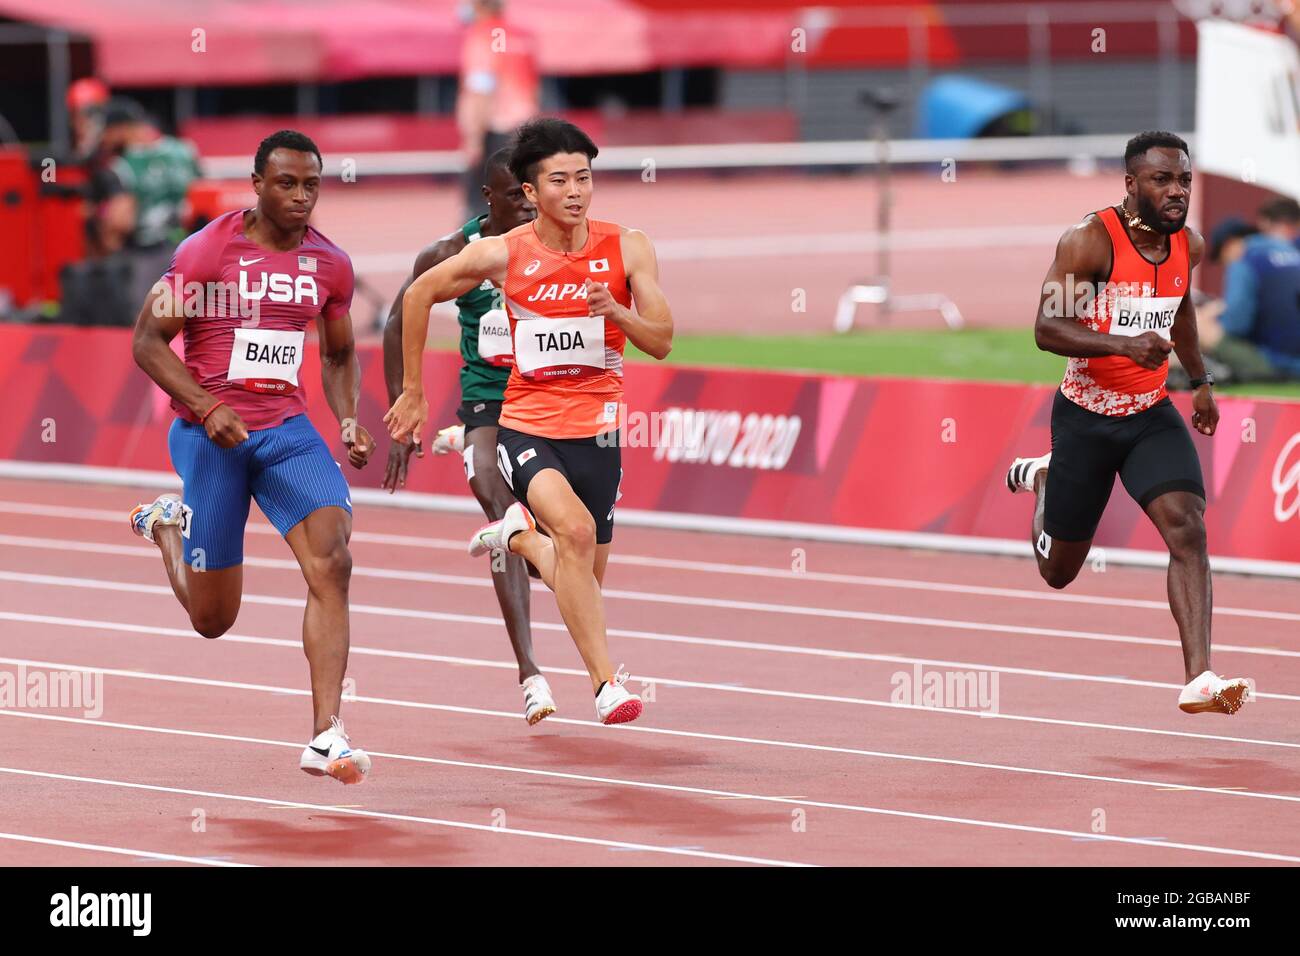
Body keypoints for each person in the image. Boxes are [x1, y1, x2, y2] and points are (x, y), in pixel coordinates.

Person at [385, 118, 674, 725]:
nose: (575, 192)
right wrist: (413, 392)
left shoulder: (629, 246)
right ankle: (606, 686)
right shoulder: (501, 254)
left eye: (585, 178)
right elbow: (417, 295)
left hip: (598, 433)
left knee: (581, 579)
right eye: (560, 180)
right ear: (530, 191)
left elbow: (663, 340)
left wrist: (616, 310)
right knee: (572, 534)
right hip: (526, 424)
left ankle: (513, 537)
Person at [127, 130, 376, 782]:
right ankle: (166, 527)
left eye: (312, 185)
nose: (300, 196)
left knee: (335, 558)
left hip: (286, 431)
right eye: (287, 184)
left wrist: (349, 416)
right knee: (213, 620)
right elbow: (148, 342)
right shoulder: (207, 251)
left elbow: (341, 352)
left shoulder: (330, 265)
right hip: (210, 436)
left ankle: (327, 734)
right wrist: (209, 407)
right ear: (258, 185)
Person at [1004, 130, 1253, 715]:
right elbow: (1046, 329)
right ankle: (1044, 479)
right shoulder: (1090, 241)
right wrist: (1121, 345)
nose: (1177, 192)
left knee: (1187, 528)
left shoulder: (1186, 247)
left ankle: (1200, 679)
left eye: (1184, 180)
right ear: (1131, 184)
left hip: (1149, 415)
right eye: (1163, 180)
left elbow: (1182, 312)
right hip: (1086, 419)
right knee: (1059, 572)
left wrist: (1202, 382)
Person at [381, 148, 555, 724]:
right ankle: (530, 672)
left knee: (557, 546)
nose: (525, 207)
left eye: (531, 194)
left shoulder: (557, 243)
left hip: (550, 406)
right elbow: (402, 313)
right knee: (499, 508)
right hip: (489, 402)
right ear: (487, 197)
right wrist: (404, 407)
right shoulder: (452, 253)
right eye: (512, 196)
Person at [457, 0, 539, 220]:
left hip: (494, 129)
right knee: (523, 196)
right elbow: (533, 85)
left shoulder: (481, 37)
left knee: (481, 205)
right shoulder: (522, 36)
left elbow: (481, 89)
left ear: (480, 6)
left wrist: (473, 137)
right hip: (523, 125)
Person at [1210, 198, 1300, 381]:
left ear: (1229, 244)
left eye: (1221, 257)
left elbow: (1236, 325)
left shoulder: (1245, 257)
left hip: (1274, 364)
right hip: (1291, 359)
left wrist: (1217, 316)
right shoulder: (1293, 251)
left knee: (1201, 325)